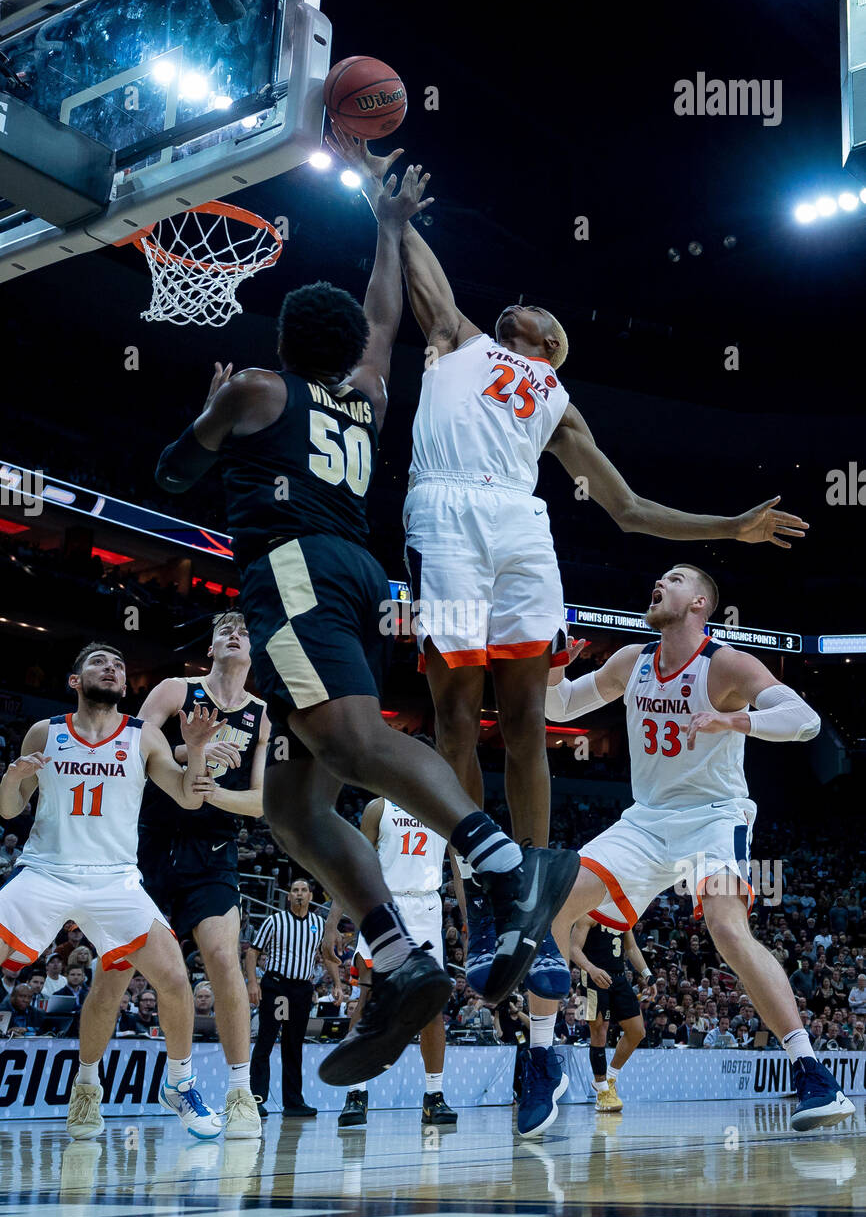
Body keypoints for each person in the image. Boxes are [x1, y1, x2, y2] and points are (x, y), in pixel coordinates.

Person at [327, 125, 809, 1138]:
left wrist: (728, 526)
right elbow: (424, 277)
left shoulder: (554, 403)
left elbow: (629, 513)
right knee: (454, 701)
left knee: (525, 710)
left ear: (552, 347)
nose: (523, 311)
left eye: (537, 317)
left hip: (518, 521)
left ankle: (528, 905)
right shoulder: (460, 341)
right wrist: (387, 206)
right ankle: (484, 866)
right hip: (446, 510)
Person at [153, 163, 580, 1087]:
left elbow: (174, 475)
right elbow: (385, 321)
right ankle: (400, 960)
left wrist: (206, 414)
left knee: (349, 740)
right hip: (354, 571)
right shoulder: (370, 392)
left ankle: (506, 868)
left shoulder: (255, 390)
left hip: (299, 569)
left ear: (280, 339)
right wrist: (387, 229)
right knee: (293, 805)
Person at [545, 564, 855, 1132]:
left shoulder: (726, 663)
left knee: (727, 928)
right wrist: (552, 669)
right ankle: (543, 1060)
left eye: (676, 578)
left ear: (701, 604)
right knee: (555, 902)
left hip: (714, 818)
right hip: (645, 822)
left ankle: (814, 1075)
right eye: (659, 576)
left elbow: (805, 721)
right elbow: (559, 708)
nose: (659, 582)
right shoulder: (630, 662)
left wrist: (734, 719)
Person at [0, 642, 223, 1141]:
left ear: (126, 686)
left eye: (119, 665)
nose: (112, 669)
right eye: (99, 663)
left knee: (173, 977)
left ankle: (180, 1084)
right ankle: (85, 1088)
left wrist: (198, 746)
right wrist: (12, 779)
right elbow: (10, 811)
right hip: (46, 870)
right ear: (75, 680)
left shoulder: (143, 738)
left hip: (115, 878)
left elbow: (188, 798)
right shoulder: (46, 732)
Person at [76, 610, 270, 1141]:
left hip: (213, 853)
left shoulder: (261, 714)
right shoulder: (174, 690)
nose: (233, 636)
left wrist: (211, 790)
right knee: (113, 971)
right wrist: (192, 750)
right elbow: (130, 748)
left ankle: (239, 1094)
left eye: (244, 632)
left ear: (252, 652)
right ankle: (87, 1086)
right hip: (146, 849)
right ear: (210, 649)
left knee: (224, 961)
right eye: (223, 631)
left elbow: (259, 802)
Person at [327, 778, 458, 1129]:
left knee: (431, 1008)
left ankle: (434, 1097)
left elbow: (458, 869)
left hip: (428, 908)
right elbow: (353, 865)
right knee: (367, 1002)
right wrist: (332, 921)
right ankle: (356, 1092)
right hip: (383, 904)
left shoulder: (443, 809)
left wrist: (469, 923)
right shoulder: (379, 807)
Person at [245, 879, 334, 1117]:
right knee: (266, 1040)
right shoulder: (274, 921)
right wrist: (253, 983)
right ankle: (256, 1099)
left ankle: (293, 1102)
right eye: (295, 890)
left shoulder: (318, 923)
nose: (299, 894)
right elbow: (252, 952)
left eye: (304, 891)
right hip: (277, 987)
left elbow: (327, 956)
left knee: (294, 1046)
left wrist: (337, 983)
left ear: (311, 896)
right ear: (288, 896)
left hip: (302, 990)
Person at [569, 914, 654, 1114]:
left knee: (637, 1032)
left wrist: (647, 976)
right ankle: (602, 1089)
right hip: (591, 977)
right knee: (599, 1030)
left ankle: (610, 1076)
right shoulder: (589, 912)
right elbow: (573, 949)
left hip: (618, 977)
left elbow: (631, 948)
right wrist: (591, 969)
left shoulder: (623, 913)